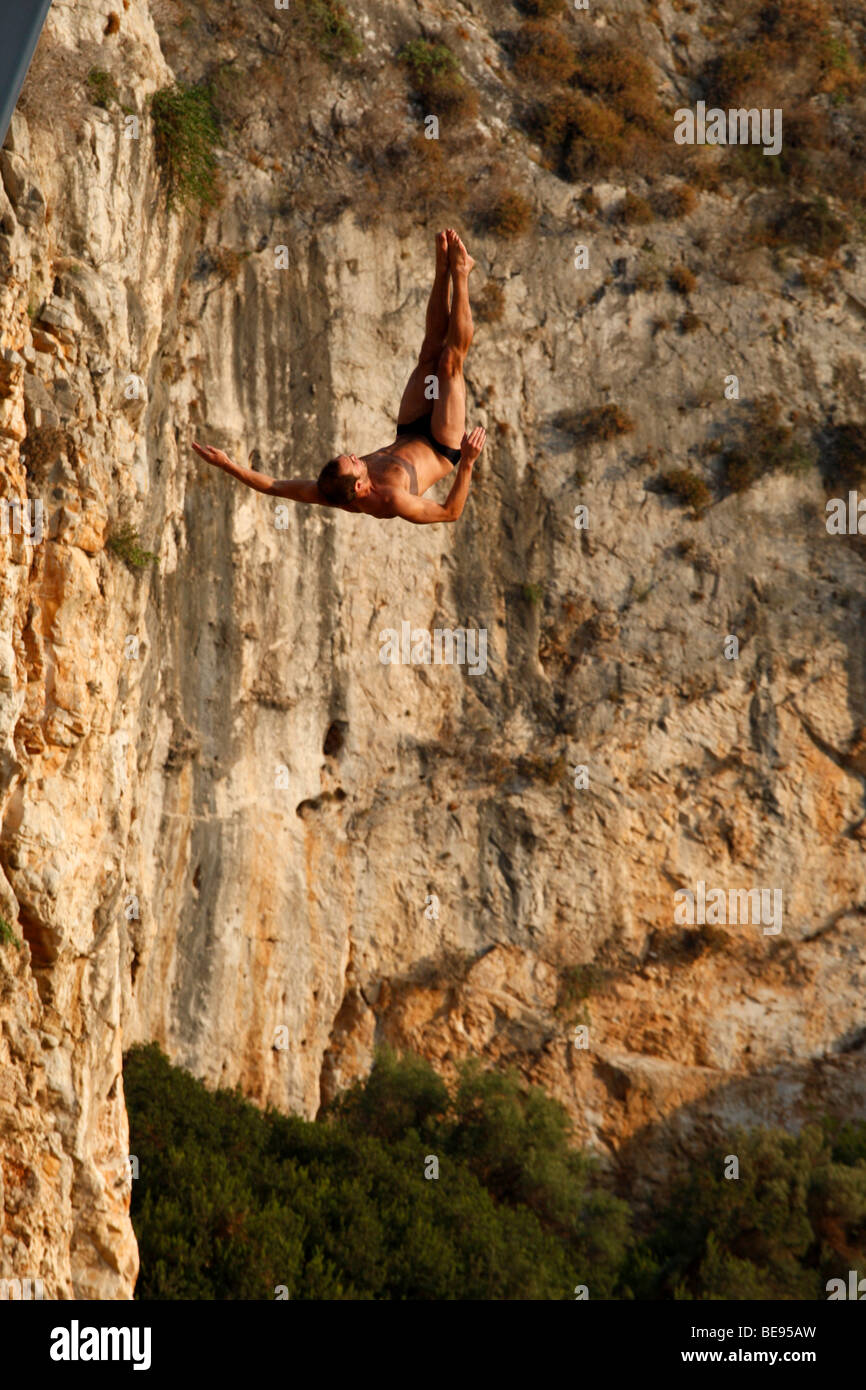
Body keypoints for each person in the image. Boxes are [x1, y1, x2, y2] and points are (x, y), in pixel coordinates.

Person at [192, 229, 486, 525]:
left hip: (409, 430)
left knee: (430, 353)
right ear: (360, 486)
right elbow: (450, 513)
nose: (356, 456)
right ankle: (461, 273)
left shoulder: (329, 489)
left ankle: (442, 269)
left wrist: (228, 465)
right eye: (354, 462)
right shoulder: (391, 498)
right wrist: (469, 462)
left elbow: (275, 486)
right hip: (439, 445)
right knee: (449, 362)